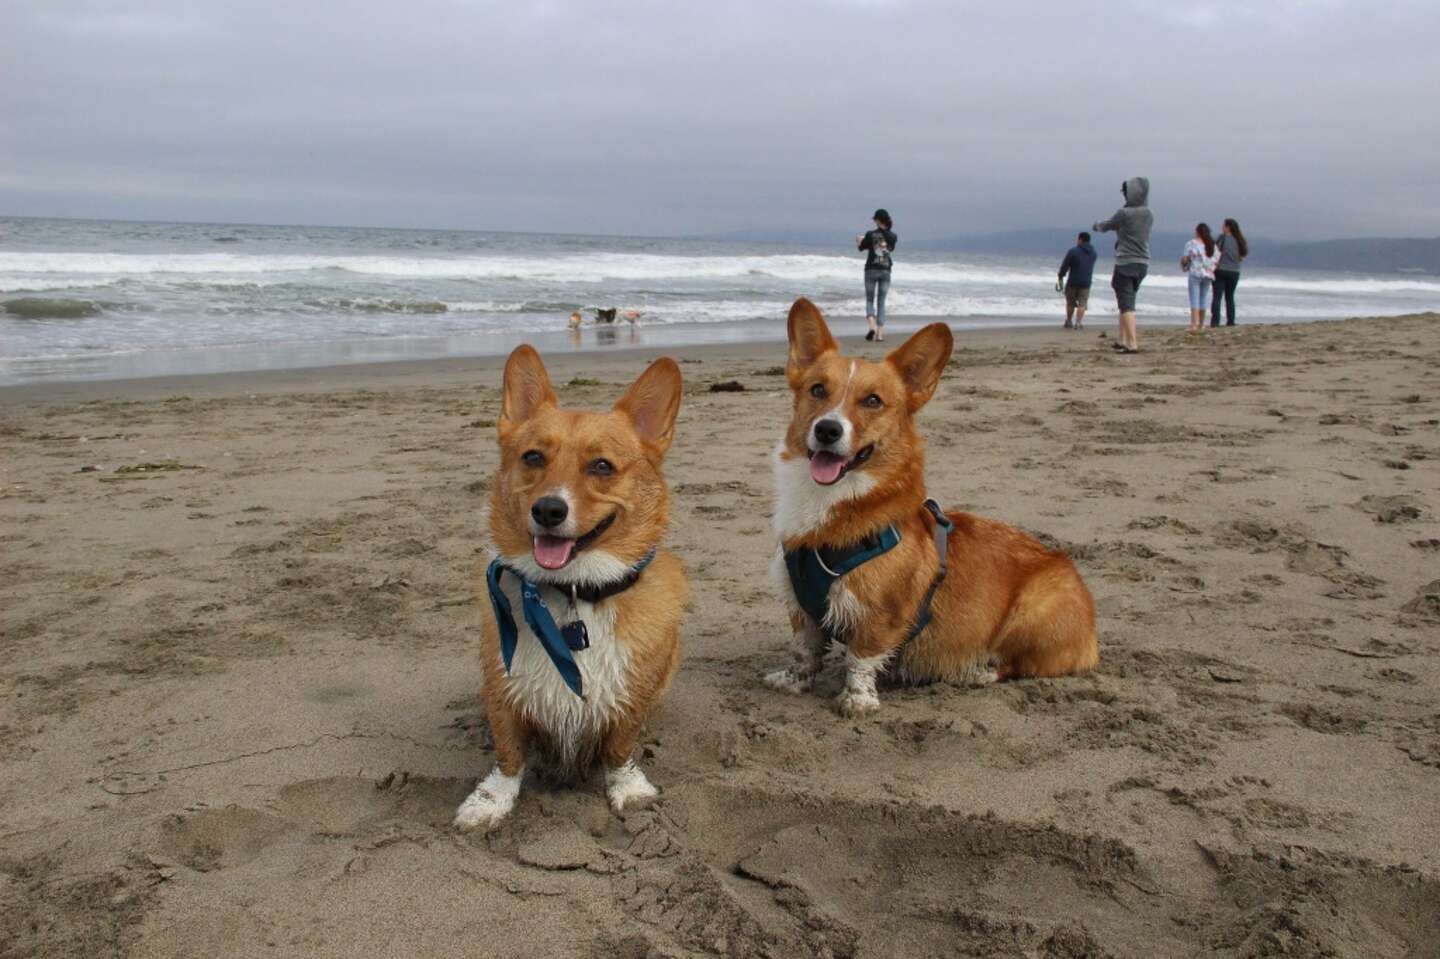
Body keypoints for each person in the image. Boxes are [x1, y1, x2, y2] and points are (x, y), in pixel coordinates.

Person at [1093, 177, 1153, 354]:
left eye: (1126, 191)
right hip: (1143, 262)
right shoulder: (1149, 213)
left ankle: (1132, 343)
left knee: (1126, 304)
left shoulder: (1125, 213)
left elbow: (1107, 225)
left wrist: (1096, 225)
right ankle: (1122, 339)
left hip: (1126, 261)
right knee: (1127, 300)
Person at [856, 209, 897, 342]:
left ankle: (872, 327)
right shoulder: (893, 236)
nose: (874, 221)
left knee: (869, 300)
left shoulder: (870, 234)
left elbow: (862, 248)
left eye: (875, 219)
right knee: (881, 302)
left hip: (871, 270)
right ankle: (879, 335)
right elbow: (884, 249)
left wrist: (859, 240)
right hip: (885, 270)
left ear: (879, 220)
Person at [1181, 223, 1221, 332]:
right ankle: (1202, 324)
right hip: (1208, 273)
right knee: (1203, 298)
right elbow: (1217, 261)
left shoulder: (1192, 243)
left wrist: (1185, 261)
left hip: (1196, 272)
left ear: (1197, 232)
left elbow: (1185, 259)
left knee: (1194, 298)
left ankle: (1194, 324)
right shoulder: (1212, 245)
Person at [1210, 218, 1248, 327]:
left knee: (1217, 296)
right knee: (1230, 297)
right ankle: (1230, 321)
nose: (1222, 227)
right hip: (1234, 271)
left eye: (1223, 225)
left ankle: (1215, 321)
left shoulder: (1222, 238)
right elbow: (1241, 256)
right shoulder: (1240, 240)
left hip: (1221, 270)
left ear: (1228, 227)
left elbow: (1216, 253)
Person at [1057, 231, 1098, 330]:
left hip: (1073, 281)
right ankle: (1078, 323)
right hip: (1086, 282)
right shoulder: (1094, 253)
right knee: (1082, 303)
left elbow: (1065, 265)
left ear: (1080, 240)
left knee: (1070, 302)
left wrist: (1061, 276)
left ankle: (1069, 321)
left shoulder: (1073, 251)